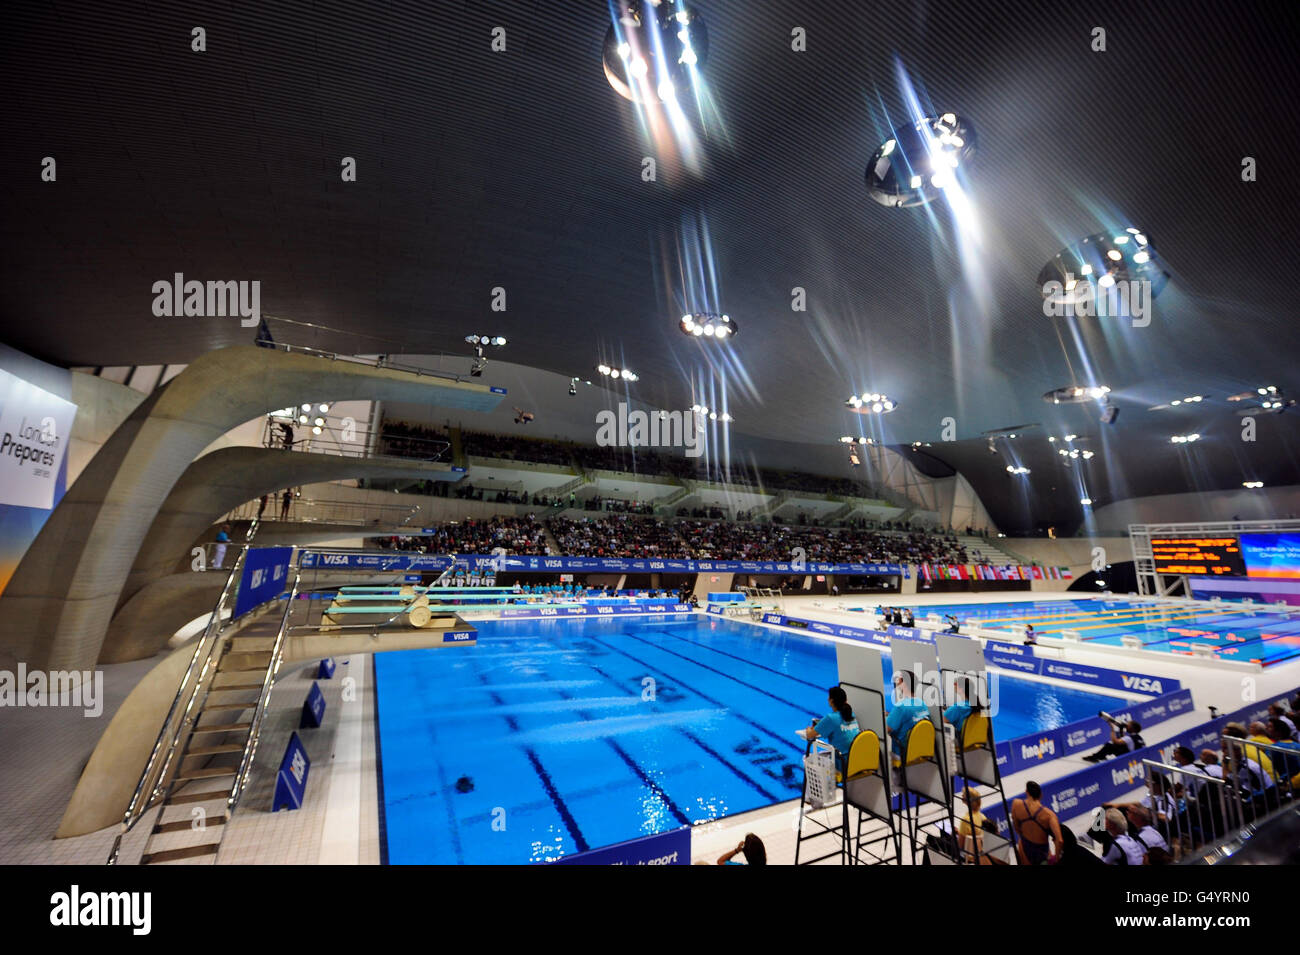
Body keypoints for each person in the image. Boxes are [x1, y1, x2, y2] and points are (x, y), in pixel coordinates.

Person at [798, 686, 861, 771]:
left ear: (831, 701)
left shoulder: (831, 718)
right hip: (857, 760)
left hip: (843, 763)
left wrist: (808, 729)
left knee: (807, 759)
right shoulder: (851, 714)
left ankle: (819, 784)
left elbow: (809, 735)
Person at [1011, 781, 1063, 865]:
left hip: (1025, 848)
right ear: (1041, 795)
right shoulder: (1049, 815)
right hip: (1041, 854)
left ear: (1026, 792)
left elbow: (1016, 827)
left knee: (1020, 842)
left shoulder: (1016, 804)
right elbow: (1060, 840)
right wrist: (1056, 859)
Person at [885, 670, 929, 763]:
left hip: (902, 751)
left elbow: (885, 730)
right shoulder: (922, 703)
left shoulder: (901, 707)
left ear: (901, 681)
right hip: (921, 749)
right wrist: (891, 715)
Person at [956, 787, 989, 864]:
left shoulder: (966, 820)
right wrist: (960, 832)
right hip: (981, 854)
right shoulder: (983, 817)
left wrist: (957, 835)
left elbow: (960, 845)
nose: (961, 795)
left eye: (963, 795)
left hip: (969, 857)